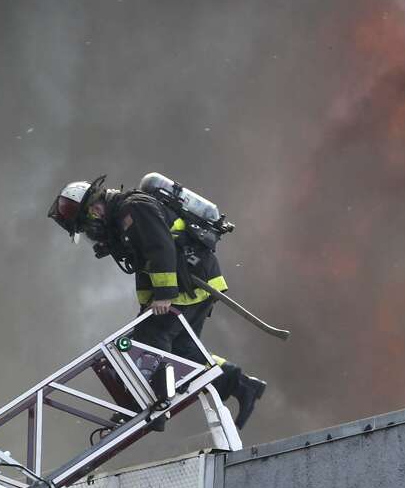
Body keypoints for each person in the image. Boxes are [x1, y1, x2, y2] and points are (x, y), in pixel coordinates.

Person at [48, 175, 265, 429]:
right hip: (189, 284)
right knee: (184, 353)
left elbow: (161, 249)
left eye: (86, 226)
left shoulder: (134, 209)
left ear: (95, 210)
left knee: (147, 343)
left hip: (187, 285)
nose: (90, 234)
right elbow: (146, 262)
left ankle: (149, 407)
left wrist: (163, 295)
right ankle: (241, 385)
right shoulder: (122, 218)